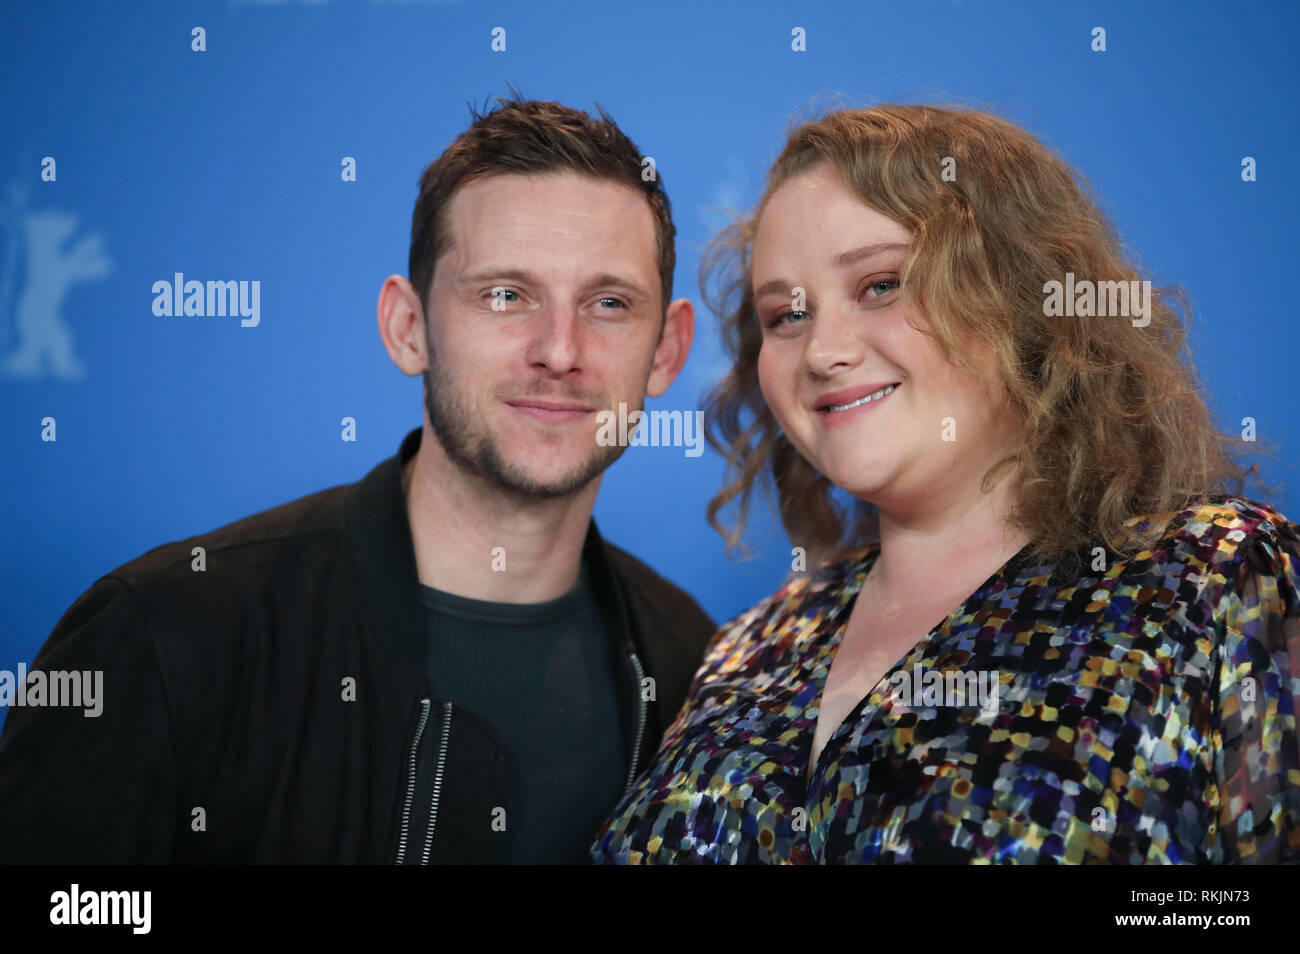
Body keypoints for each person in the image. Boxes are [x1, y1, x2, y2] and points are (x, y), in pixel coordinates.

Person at [0, 92, 716, 864]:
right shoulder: (164, 636)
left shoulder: (697, 672)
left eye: (608, 303)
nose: (560, 350)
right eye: (505, 295)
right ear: (409, 328)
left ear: (666, 351)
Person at [592, 103, 1300, 864]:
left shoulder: (1216, 578)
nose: (823, 351)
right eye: (786, 316)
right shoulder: (746, 646)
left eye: (881, 285)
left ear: (1022, 297)